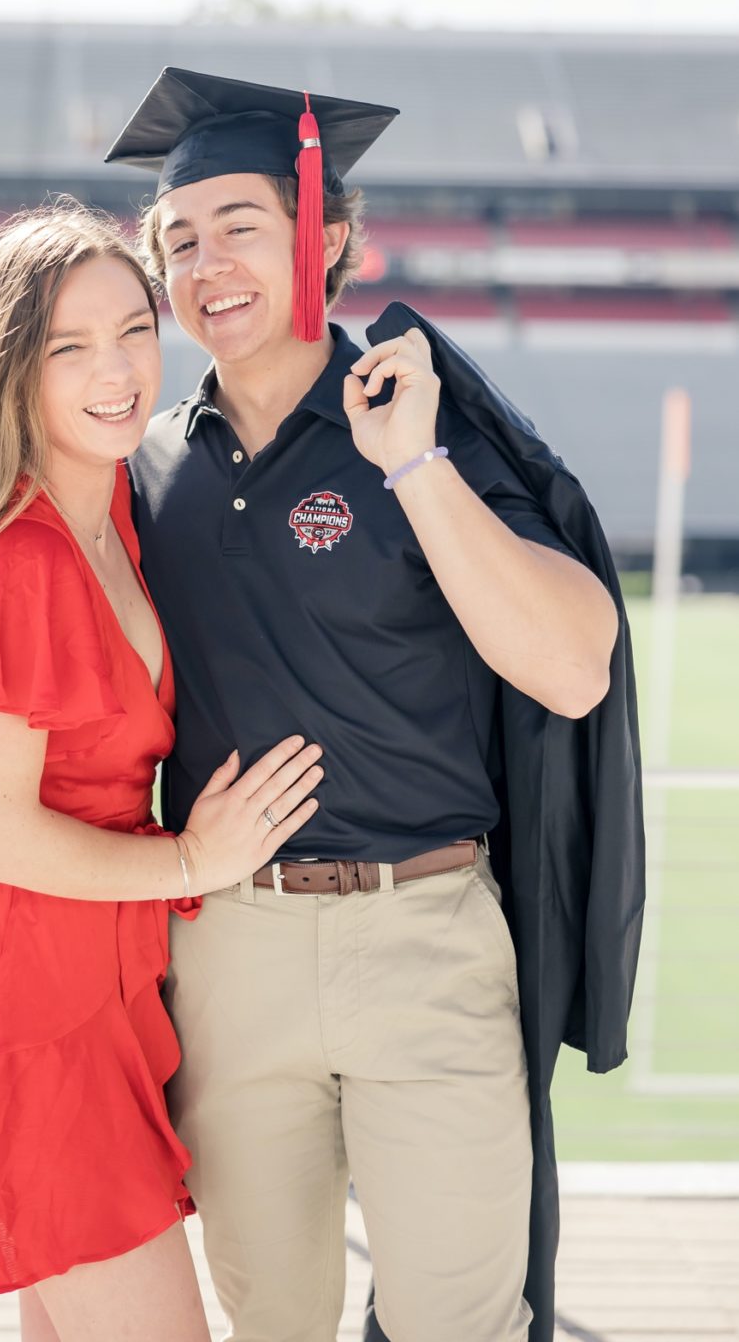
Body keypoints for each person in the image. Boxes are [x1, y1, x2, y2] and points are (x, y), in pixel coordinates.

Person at [102, 69, 644, 1342]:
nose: (207, 263)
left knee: (459, 1320)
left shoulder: (420, 424)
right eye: (179, 240)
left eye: (240, 223)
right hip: (231, 946)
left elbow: (572, 666)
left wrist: (416, 469)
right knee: (270, 1313)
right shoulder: (147, 462)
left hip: (428, 936)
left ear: (325, 234)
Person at [0, 199, 326, 1342]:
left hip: (108, 1001)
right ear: (8, 371)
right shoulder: (20, 557)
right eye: (69, 347)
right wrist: (194, 855)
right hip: (36, 1025)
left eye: (133, 329)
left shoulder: (117, 510)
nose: (116, 370)